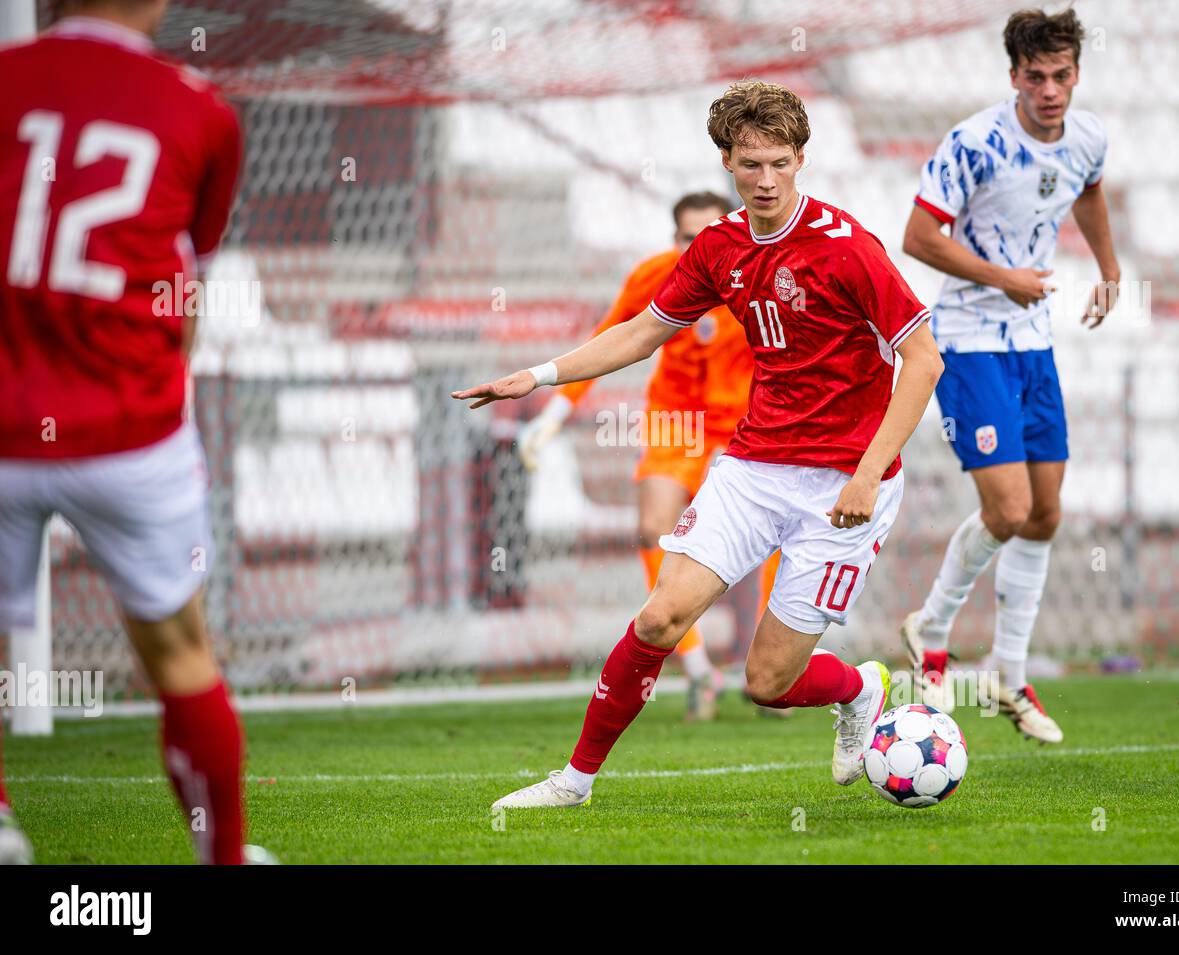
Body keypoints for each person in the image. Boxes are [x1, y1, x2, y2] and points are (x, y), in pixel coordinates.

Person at [454, 79, 943, 808]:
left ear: (802, 159)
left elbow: (925, 358)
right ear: (728, 163)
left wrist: (868, 473)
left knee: (767, 683)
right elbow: (644, 330)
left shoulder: (848, 250)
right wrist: (540, 375)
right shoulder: (719, 247)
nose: (767, 178)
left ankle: (860, 686)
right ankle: (575, 781)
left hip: (848, 483)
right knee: (659, 615)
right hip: (754, 466)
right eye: (751, 164)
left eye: (780, 161)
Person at [0, 0, 254, 862]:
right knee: (182, 652)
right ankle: (220, 858)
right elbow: (185, 290)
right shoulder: (200, 109)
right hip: (126, 426)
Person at [898, 7, 1120, 743]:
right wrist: (1004, 278)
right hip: (967, 340)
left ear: (1076, 74)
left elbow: (1086, 188)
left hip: (1033, 340)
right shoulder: (976, 141)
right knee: (1008, 509)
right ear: (1014, 76)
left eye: (1061, 76)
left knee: (1047, 513)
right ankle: (930, 628)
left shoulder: (1089, 136)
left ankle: (1007, 670)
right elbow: (918, 235)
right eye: (1036, 77)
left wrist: (1109, 269)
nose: (1050, 90)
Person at [516, 191, 781, 720]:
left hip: (748, 419)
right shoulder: (653, 276)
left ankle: (773, 666)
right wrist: (552, 415)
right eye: (688, 236)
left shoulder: (760, 273)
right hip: (677, 419)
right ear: (675, 239)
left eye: (709, 232)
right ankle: (698, 667)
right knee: (654, 525)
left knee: (772, 533)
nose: (699, 244)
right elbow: (608, 337)